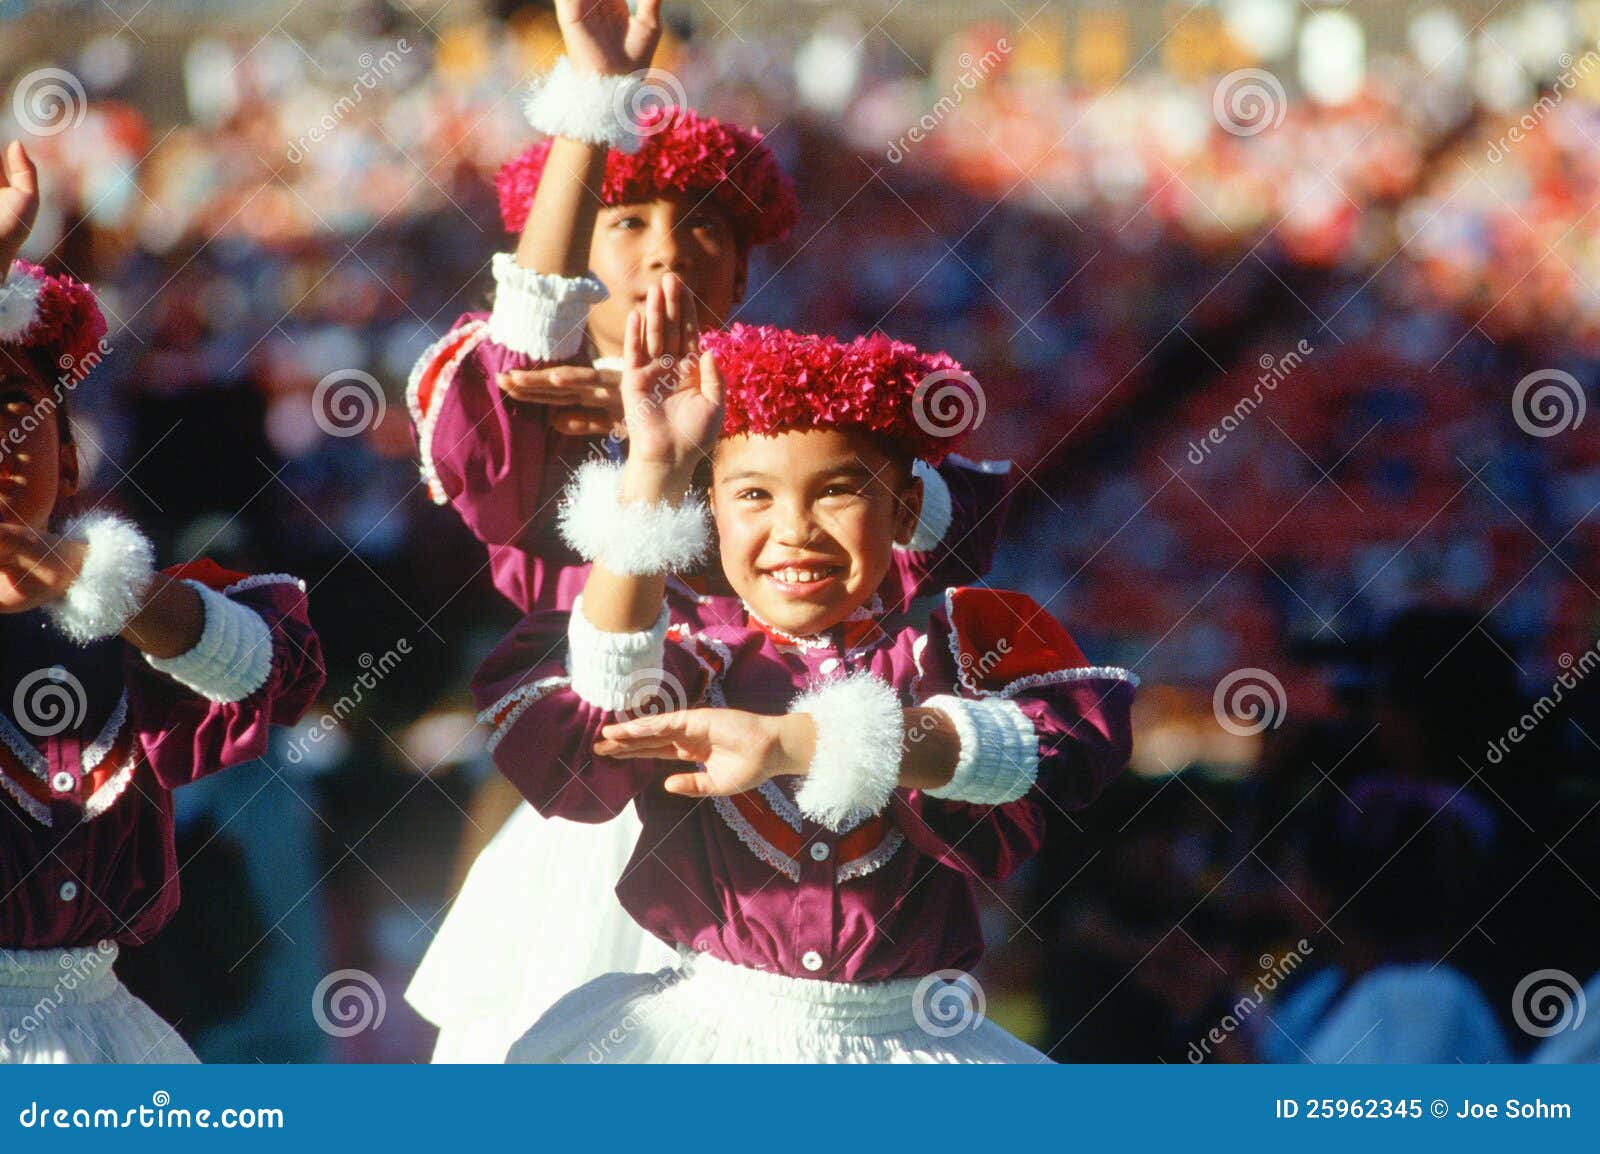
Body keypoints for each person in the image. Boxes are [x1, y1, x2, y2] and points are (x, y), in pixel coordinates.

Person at [404, 0, 1014, 1062]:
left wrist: (737, 424)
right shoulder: (530, 411)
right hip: (599, 828)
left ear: (742, 269)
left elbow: (940, 528)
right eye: (627, 221)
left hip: (790, 814)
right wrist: (593, 105)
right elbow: (513, 360)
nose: (666, 252)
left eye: (704, 226)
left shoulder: (804, 416)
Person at [476, 278, 1135, 1062]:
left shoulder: (953, 648)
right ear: (710, 509)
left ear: (901, 510)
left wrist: (799, 742)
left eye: (836, 491)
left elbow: (1055, 751)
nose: (794, 529)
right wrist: (654, 470)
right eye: (753, 493)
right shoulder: (693, 649)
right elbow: (591, 724)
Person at [0, 141, 325, 1063]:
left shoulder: (137, 620)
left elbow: (271, 672)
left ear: (69, 457)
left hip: (101, 1043)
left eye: (11, 406)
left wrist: (93, 586)